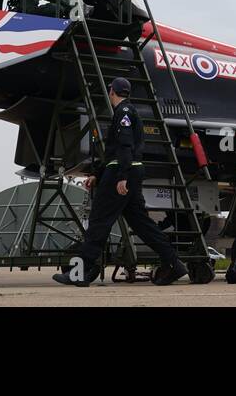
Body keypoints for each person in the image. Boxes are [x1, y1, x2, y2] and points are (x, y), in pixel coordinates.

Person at [53, 77, 189, 287]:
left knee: (99, 220)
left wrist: (121, 176)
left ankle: (82, 272)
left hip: (122, 172)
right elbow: (115, 150)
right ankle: (174, 263)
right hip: (129, 170)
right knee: (142, 224)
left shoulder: (123, 113)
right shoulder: (129, 112)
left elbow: (124, 146)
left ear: (112, 92)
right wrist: (98, 173)